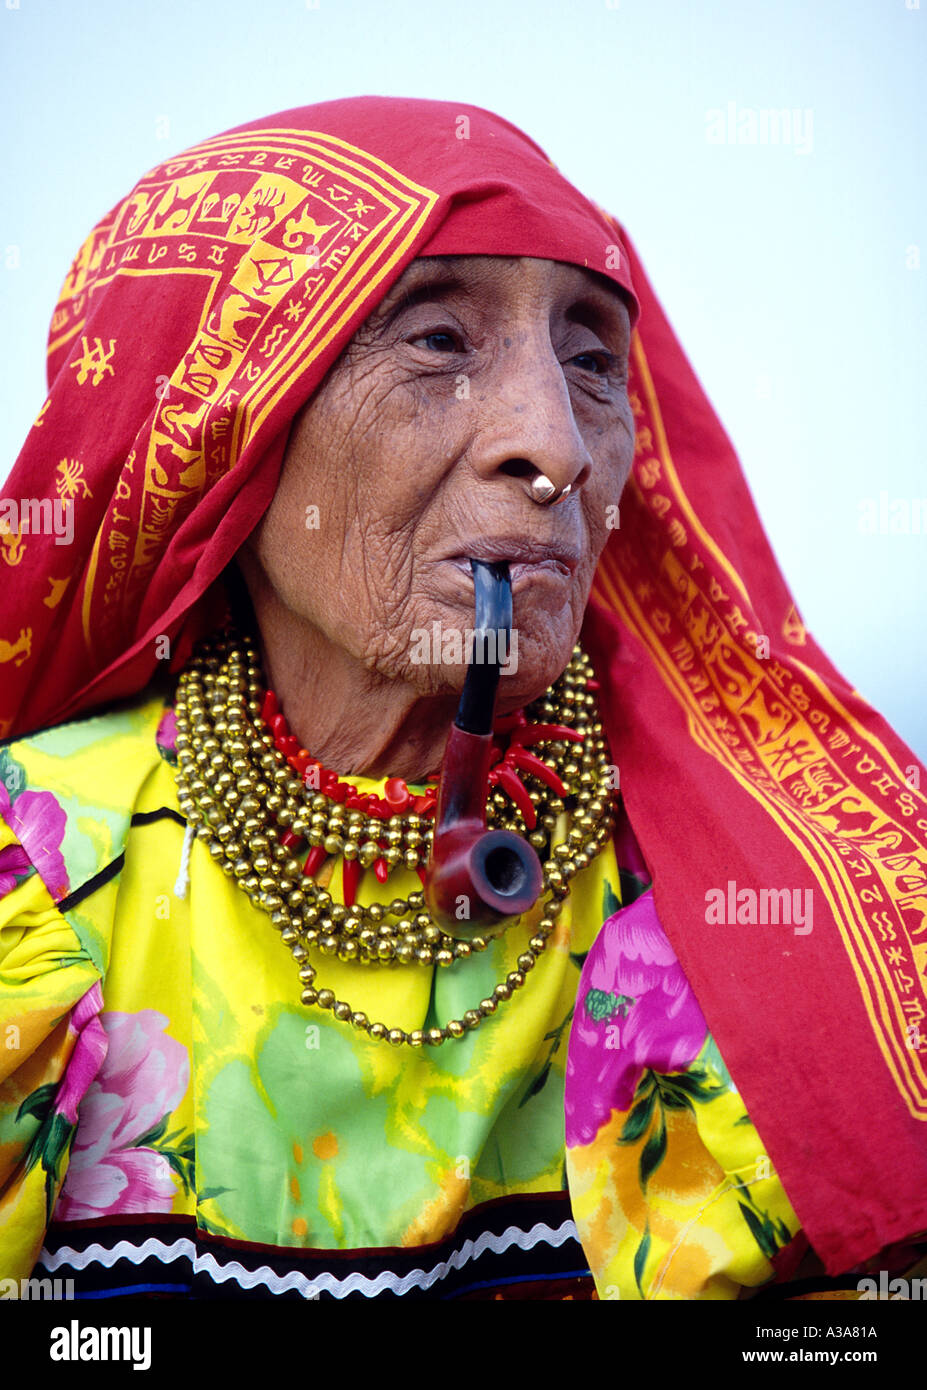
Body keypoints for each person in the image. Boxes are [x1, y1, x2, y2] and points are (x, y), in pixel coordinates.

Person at [1, 96, 925, 1302]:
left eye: (594, 363)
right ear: (224, 434)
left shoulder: (775, 913)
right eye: (436, 341)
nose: (557, 445)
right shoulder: (40, 875)